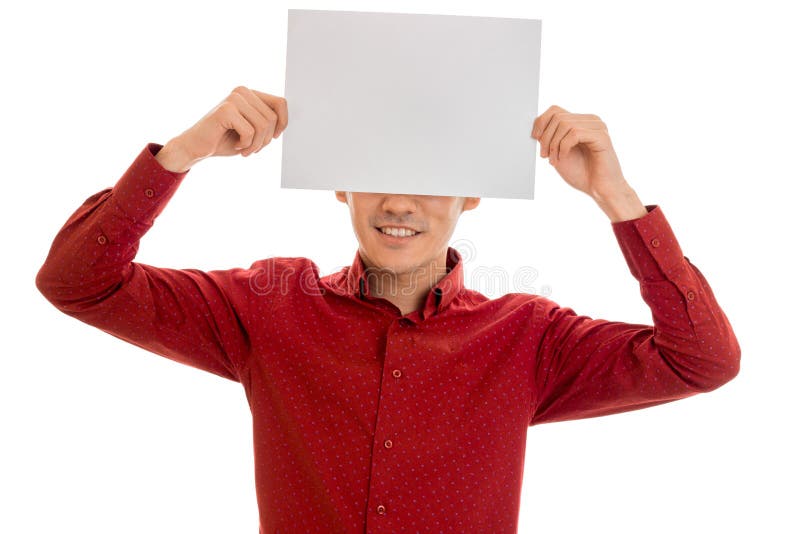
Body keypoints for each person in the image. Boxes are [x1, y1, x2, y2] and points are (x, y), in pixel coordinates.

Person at [36, 86, 740, 533]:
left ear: (472, 194)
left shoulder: (529, 337)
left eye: (431, 180)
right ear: (340, 184)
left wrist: (618, 199)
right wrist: (181, 154)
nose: (400, 203)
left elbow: (702, 361)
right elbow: (77, 282)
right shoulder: (267, 307)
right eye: (376, 173)